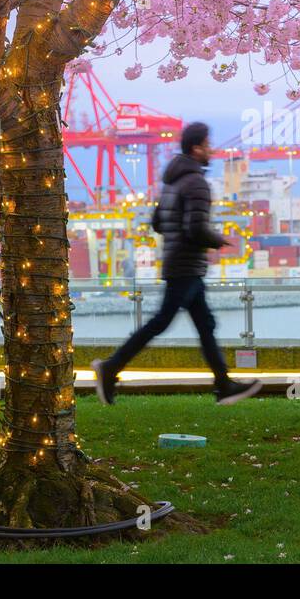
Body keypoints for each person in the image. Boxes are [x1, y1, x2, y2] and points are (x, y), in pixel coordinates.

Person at [93, 122, 262, 405]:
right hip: (186, 265)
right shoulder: (196, 183)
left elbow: (158, 223)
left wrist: (179, 236)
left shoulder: (172, 182)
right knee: (161, 322)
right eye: (208, 144)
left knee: (205, 324)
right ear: (196, 148)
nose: (212, 150)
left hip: (180, 263)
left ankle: (223, 384)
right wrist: (218, 239)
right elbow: (196, 228)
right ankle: (110, 367)